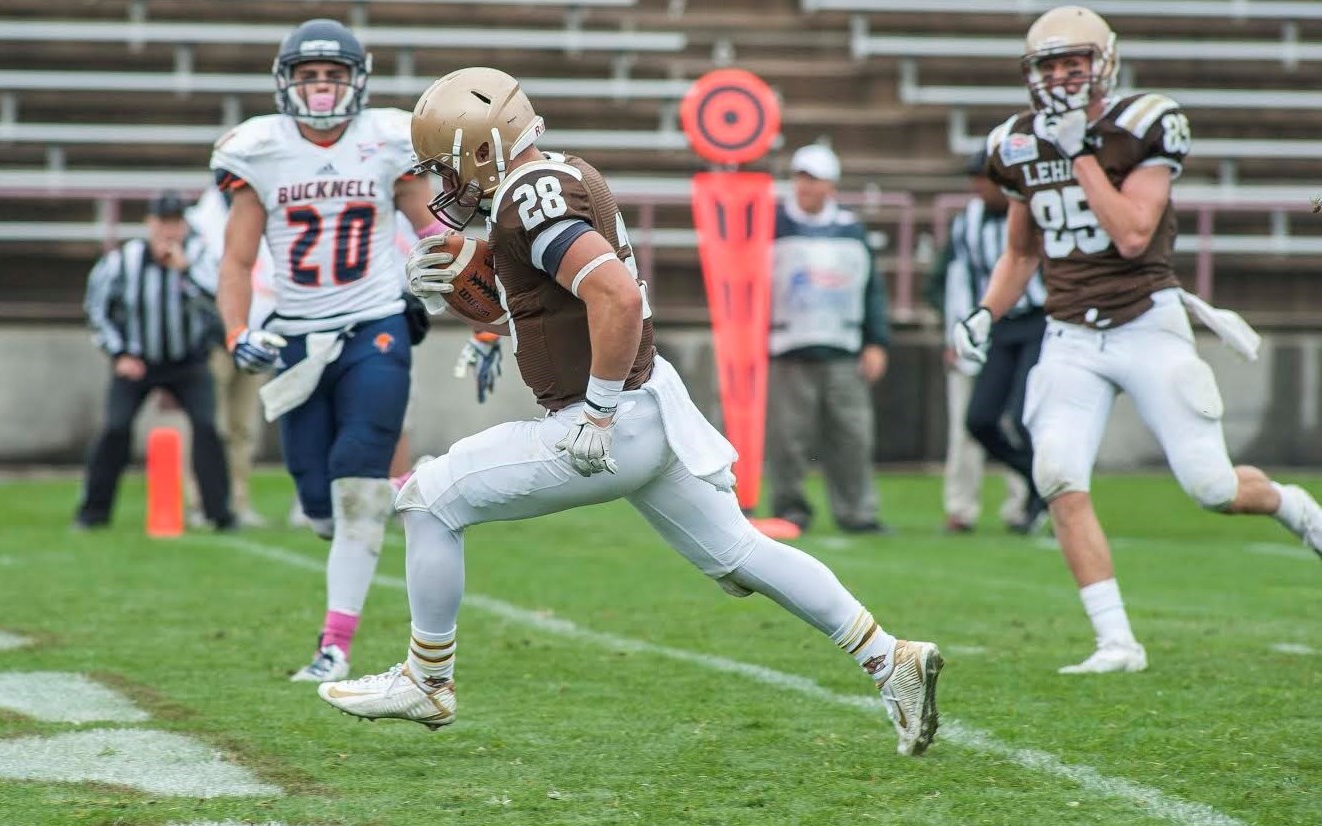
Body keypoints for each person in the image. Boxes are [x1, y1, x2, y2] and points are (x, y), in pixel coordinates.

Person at [316, 67, 943, 757]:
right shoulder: (544, 181)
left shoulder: (531, 196)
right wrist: (475, 305)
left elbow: (610, 296)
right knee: (739, 552)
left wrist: (597, 410)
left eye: (447, 166)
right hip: (645, 408)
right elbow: (544, 300)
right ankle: (891, 659)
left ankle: (427, 679)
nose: (444, 185)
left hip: (609, 418)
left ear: (482, 148)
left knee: (428, 502)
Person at [954, 5, 1322, 674]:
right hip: (1066, 334)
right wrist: (984, 311)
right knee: (1057, 476)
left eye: (1076, 62)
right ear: (1031, 74)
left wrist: (1078, 155)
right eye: (1050, 64)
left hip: (1145, 323)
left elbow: (1130, 234)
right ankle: (1115, 642)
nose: (1064, 75)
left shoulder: (1142, 125)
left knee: (1211, 488)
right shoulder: (1013, 143)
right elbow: (1019, 252)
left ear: (1103, 64)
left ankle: (1294, 508)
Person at [210, 19, 444, 683]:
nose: (321, 88)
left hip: (374, 326)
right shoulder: (259, 149)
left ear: (356, 80)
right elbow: (236, 258)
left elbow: (432, 230)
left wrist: (475, 305)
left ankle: (333, 646)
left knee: (357, 483)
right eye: (309, 76)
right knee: (318, 504)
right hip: (296, 334)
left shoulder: (386, 142)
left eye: (333, 75)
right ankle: (392, 514)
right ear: (287, 83)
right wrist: (236, 333)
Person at [75, 191, 234, 531]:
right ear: (150, 224)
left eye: (175, 223)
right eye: (163, 222)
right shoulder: (123, 261)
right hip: (138, 360)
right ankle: (93, 513)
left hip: (188, 360)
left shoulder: (201, 258)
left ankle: (219, 513)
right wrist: (119, 353)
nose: (169, 231)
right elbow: (97, 309)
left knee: (208, 428)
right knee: (115, 428)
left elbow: (219, 305)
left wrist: (185, 273)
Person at [762, 144, 890, 536]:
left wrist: (876, 341)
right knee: (787, 437)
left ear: (830, 185)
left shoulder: (852, 230)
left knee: (852, 435)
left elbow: (872, 289)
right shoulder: (773, 224)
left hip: (842, 346)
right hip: (788, 346)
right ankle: (789, 508)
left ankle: (857, 511)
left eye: (813, 179)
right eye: (800, 177)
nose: (805, 186)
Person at [927, 150, 1042, 534]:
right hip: (994, 326)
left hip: (1039, 322)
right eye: (974, 179)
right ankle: (1036, 482)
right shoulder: (968, 223)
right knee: (978, 420)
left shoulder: (1033, 213)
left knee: (1026, 419)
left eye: (986, 179)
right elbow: (957, 281)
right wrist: (958, 331)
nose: (978, 187)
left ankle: (1032, 501)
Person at [185, 186, 276, 529]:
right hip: (217, 337)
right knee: (211, 424)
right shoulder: (203, 219)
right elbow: (201, 276)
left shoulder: (266, 204)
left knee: (242, 426)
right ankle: (201, 500)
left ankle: (238, 500)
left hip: (255, 334)